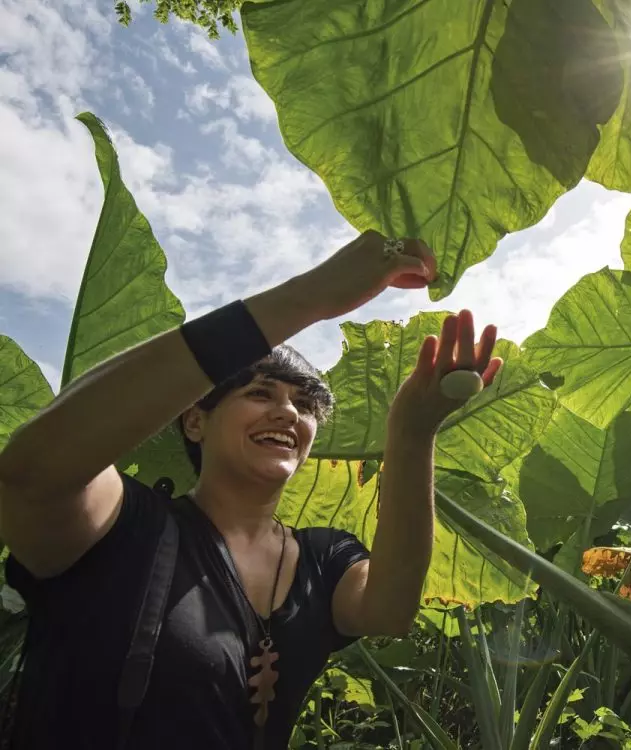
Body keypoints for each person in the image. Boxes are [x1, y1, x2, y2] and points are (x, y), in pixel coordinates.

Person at [0, 231, 501, 749]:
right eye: (260, 393)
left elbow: (389, 608)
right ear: (195, 421)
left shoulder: (321, 557)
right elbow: (31, 474)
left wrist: (413, 432)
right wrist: (306, 298)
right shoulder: (126, 525)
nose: (287, 412)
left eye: (304, 405)